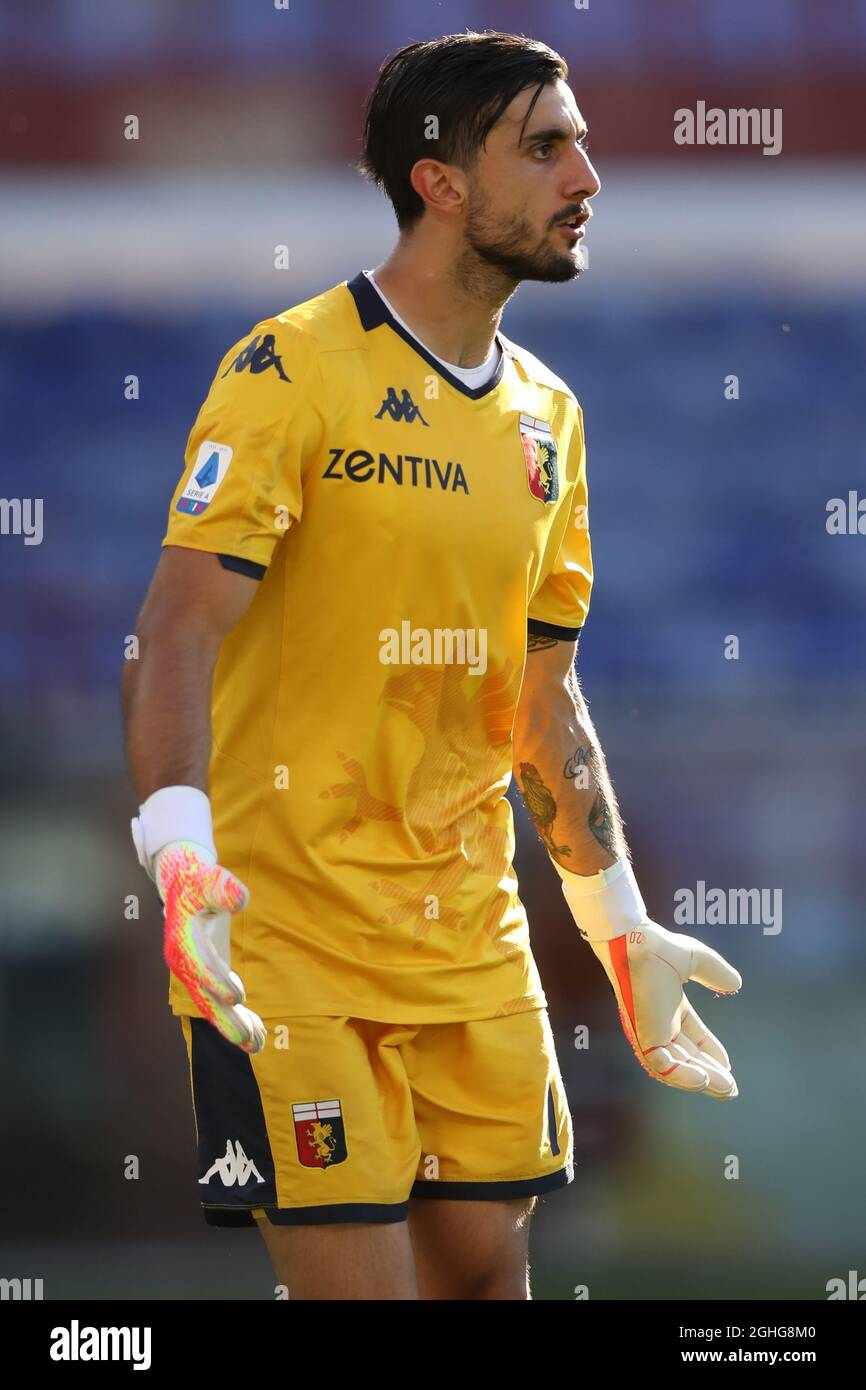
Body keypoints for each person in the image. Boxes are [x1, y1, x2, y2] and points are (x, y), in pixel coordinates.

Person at [122, 30, 741, 1301]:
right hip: (285, 945)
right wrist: (179, 854)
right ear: (440, 181)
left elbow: (540, 700)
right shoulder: (289, 368)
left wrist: (616, 927)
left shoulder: (548, 418)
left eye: (577, 139)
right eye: (545, 145)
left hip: (472, 948)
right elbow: (177, 629)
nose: (587, 175)